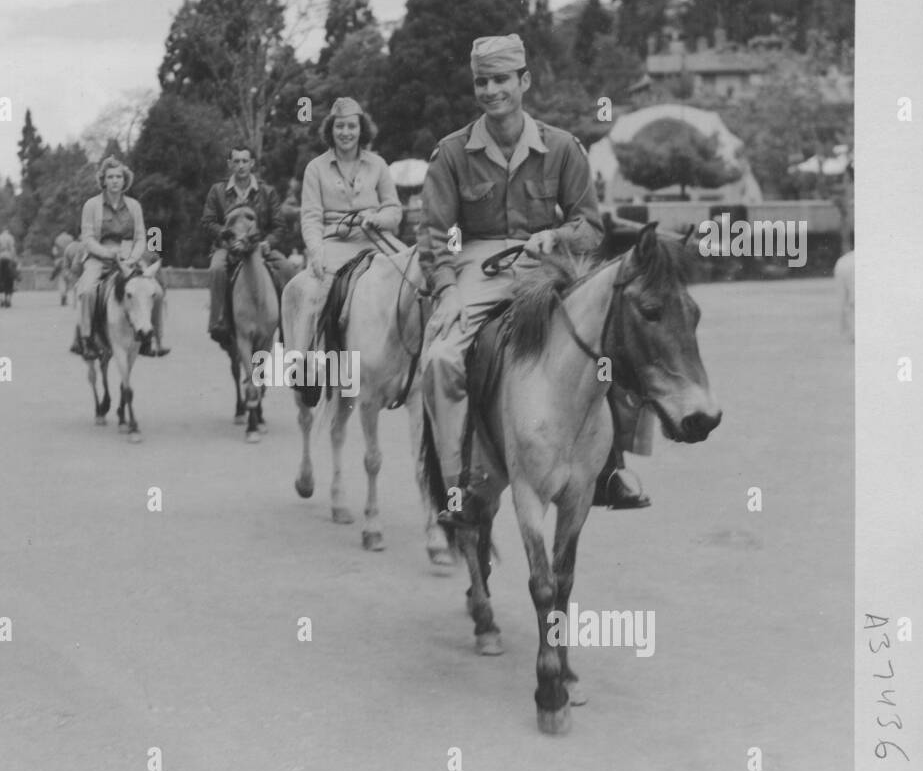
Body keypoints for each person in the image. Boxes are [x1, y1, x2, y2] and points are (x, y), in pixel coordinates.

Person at [418, 34, 650, 525]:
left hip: (548, 264)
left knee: (620, 338)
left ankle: (612, 467)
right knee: (439, 360)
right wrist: (445, 292)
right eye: (482, 81)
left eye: (502, 79)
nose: (491, 90)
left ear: (524, 81)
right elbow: (436, 236)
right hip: (477, 266)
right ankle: (462, 487)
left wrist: (555, 236)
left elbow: (590, 226)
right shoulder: (452, 153)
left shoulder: (562, 147)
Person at [295, 96, 404, 350]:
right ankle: (305, 361)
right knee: (315, 292)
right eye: (340, 126)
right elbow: (310, 218)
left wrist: (377, 218)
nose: (346, 133)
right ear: (331, 129)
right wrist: (316, 251)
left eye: (352, 126)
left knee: (413, 273)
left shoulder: (378, 164)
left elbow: (394, 210)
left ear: (361, 129)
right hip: (335, 240)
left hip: (374, 239)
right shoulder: (315, 168)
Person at [75, 156, 168, 358]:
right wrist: (108, 253)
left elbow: (141, 237)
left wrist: (133, 259)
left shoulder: (134, 206)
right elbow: (88, 239)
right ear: (103, 180)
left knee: (157, 291)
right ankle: (86, 339)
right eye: (110, 177)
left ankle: (152, 338)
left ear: (125, 180)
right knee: (88, 291)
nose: (115, 180)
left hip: (129, 257)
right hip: (99, 256)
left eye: (119, 176)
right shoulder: (91, 205)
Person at [201, 145, 292, 346]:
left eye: (245, 161)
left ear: (252, 163)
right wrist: (225, 236)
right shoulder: (217, 191)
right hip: (227, 247)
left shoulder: (267, 192)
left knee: (287, 268)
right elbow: (208, 222)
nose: (241, 166)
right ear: (229, 164)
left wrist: (268, 243)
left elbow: (279, 226)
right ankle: (219, 321)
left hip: (259, 247)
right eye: (236, 161)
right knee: (216, 269)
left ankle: (287, 324)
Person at [0, 226, 18, 307]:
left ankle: (1, 299)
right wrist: (14, 257)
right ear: (8, 231)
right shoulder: (11, 237)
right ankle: (8, 299)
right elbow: (12, 248)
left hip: (0, 256)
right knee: (15, 270)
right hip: (9, 256)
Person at [51, 229, 74, 306]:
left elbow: (54, 251)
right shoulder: (70, 238)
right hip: (68, 260)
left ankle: (63, 294)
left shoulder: (58, 238)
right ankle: (65, 294)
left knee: (61, 279)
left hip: (59, 260)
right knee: (67, 279)